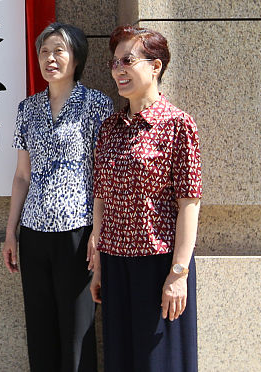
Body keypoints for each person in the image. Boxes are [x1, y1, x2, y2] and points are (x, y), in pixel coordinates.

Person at [2, 22, 114, 372]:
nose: (50, 58)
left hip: (78, 232)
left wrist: (99, 231)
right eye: (44, 51)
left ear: (76, 57)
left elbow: (105, 175)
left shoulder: (96, 104)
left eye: (58, 51)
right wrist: (11, 231)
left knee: (77, 334)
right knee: (40, 330)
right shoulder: (26, 108)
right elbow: (22, 175)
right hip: (34, 233)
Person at [89, 25, 201, 372]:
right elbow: (101, 196)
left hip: (159, 265)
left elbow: (189, 203)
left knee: (159, 364)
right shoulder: (110, 128)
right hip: (116, 264)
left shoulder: (178, 125)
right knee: (121, 361)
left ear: (155, 67)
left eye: (128, 60)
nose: (118, 69)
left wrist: (178, 273)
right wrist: (99, 262)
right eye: (114, 62)